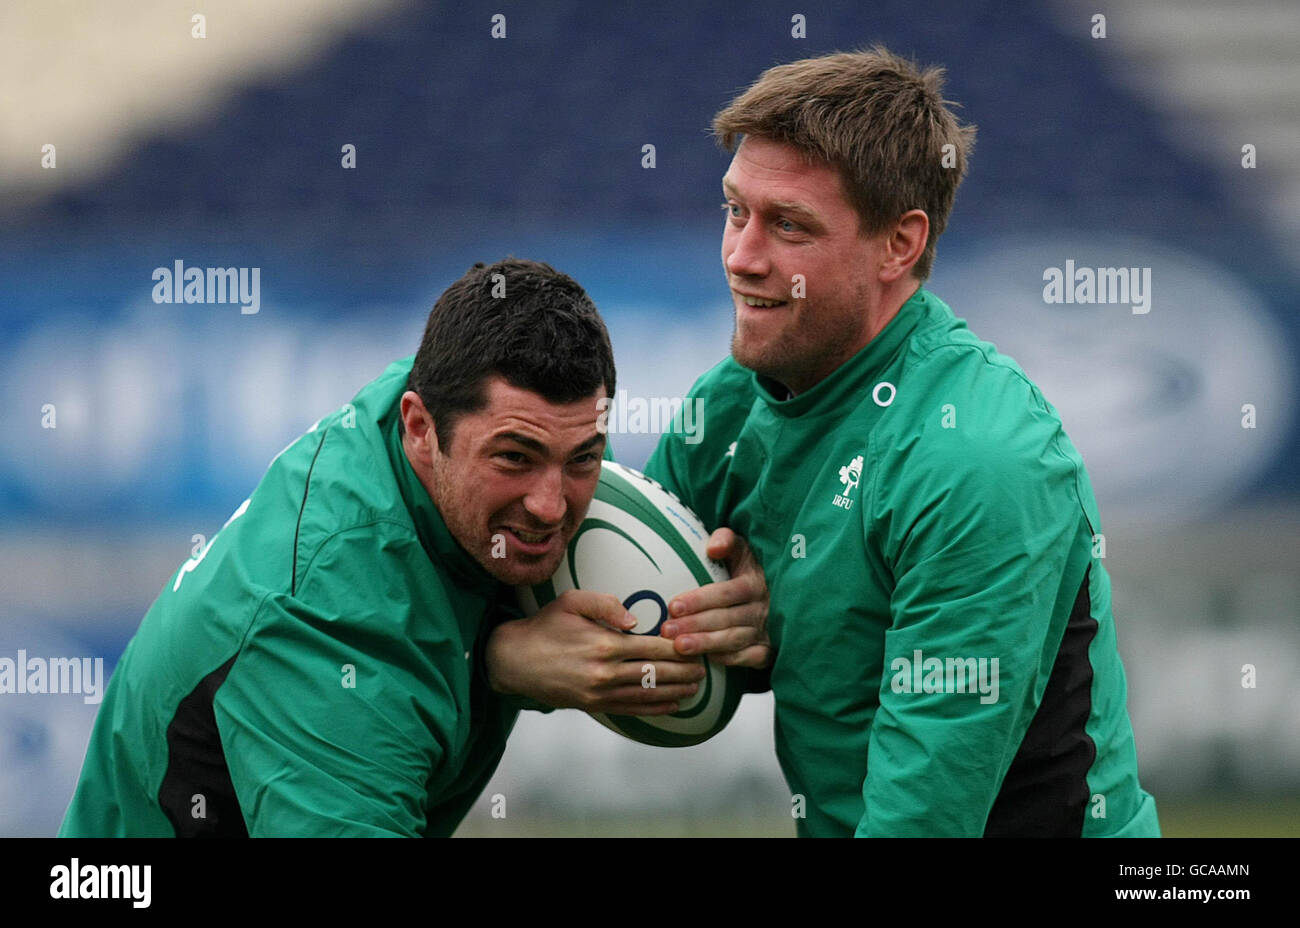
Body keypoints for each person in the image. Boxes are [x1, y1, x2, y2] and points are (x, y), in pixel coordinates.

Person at [638, 47, 1161, 837]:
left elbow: (924, 817)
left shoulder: (979, 459)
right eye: (734, 210)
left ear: (900, 245)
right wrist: (718, 633)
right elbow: (614, 614)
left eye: (789, 225)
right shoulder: (726, 408)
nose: (741, 257)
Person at [58, 258, 763, 837]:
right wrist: (488, 661)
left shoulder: (440, 398)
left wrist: (493, 657)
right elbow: (378, 629)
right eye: (515, 458)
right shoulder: (322, 630)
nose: (552, 507)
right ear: (420, 428)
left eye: (584, 458)